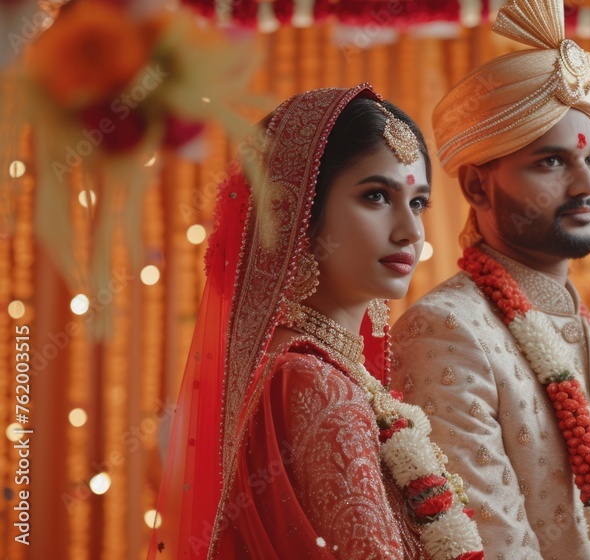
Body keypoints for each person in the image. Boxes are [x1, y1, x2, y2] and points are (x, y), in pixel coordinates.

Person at [389, 1, 590, 559]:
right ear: (478, 187)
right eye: (551, 162)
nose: (584, 187)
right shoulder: (446, 333)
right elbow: (488, 546)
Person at [147, 85, 484, 560]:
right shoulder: (316, 381)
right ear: (298, 216)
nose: (409, 230)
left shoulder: (312, 367)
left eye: (417, 202)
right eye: (375, 196)